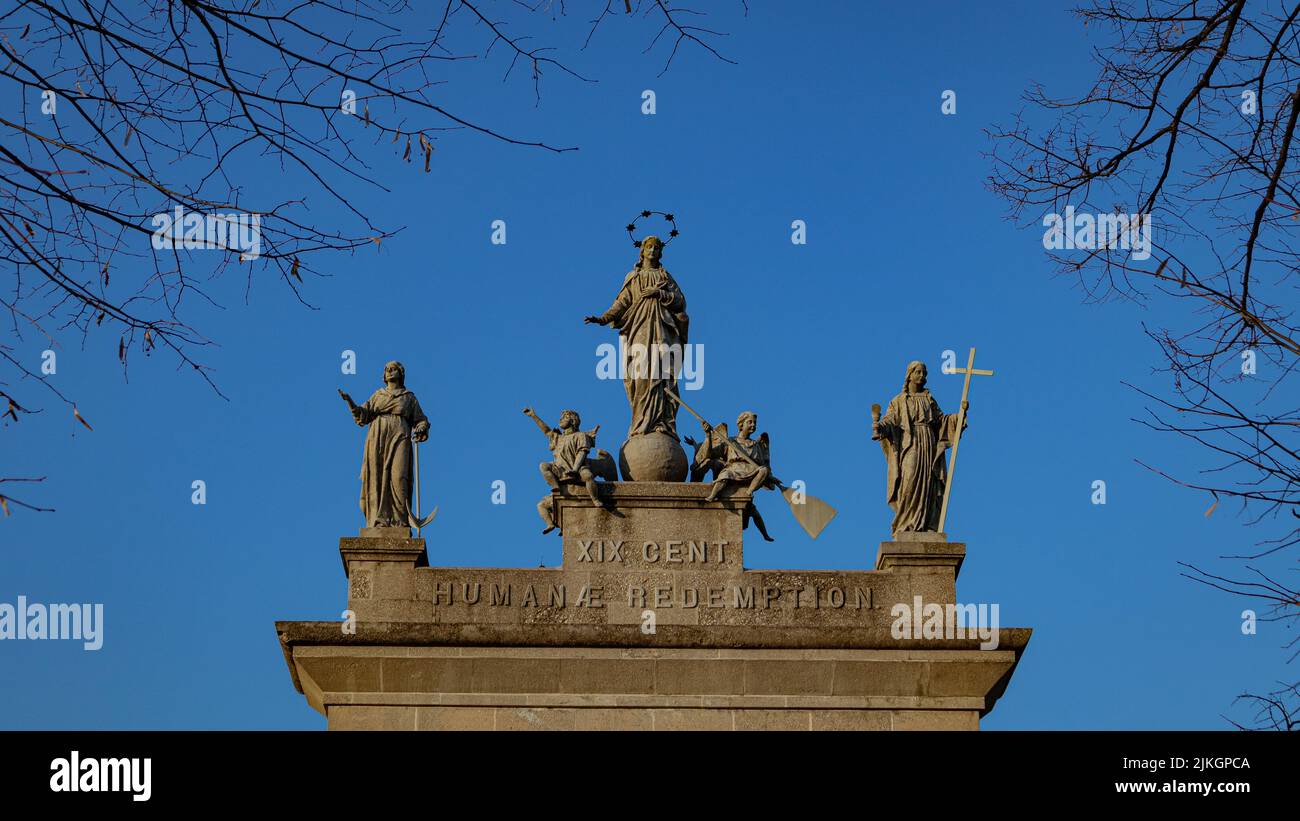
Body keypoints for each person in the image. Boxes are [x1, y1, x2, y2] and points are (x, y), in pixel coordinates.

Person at [583, 235, 689, 440]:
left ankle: (662, 421)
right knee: (640, 372)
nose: (653, 251)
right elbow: (622, 302)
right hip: (639, 326)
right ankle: (641, 420)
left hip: (662, 326)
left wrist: (659, 294)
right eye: (649, 247)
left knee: (662, 371)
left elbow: (680, 301)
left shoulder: (665, 277)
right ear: (642, 251)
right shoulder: (634, 276)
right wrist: (603, 318)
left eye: (657, 248)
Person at [872, 361, 968, 533]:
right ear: (909, 375)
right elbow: (890, 420)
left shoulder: (929, 399)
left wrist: (959, 415)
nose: (922, 376)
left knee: (928, 482)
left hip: (928, 442)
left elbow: (941, 420)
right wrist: (881, 427)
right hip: (910, 443)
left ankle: (927, 523)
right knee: (909, 479)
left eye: (924, 373)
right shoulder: (899, 401)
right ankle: (905, 523)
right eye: (918, 372)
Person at [339, 361, 429, 529]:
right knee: (378, 477)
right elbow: (363, 416)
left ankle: (400, 521)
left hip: (400, 435)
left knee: (399, 477)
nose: (389, 371)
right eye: (387, 369)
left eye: (393, 369)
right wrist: (350, 401)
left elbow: (421, 419)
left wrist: (422, 427)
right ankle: (380, 519)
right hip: (377, 438)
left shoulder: (409, 397)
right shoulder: (378, 395)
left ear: (400, 373)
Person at [524, 407, 611, 534]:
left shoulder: (580, 436)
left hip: (578, 468)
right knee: (543, 466)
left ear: (573, 421)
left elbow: (582, 452)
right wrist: (533, 416)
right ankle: (556, 490)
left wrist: (575, 469)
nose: (560, 419)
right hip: (561, 471)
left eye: (564, 417)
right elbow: (547, 431)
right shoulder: (558, 438)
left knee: (587, 476)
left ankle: (595, 499)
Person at [698, 411, 776, 542]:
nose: (753, 425)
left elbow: (764, 466)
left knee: (763, 470)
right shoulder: (730, 442)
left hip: (751, 471)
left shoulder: (756, 445)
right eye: (750, 422)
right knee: (726, 474)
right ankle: (713, 495)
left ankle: (749, 492)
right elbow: (710, 453)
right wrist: (708, 436)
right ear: (741, 424)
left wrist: (770, 476)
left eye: (754, 423)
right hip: (734, 469)